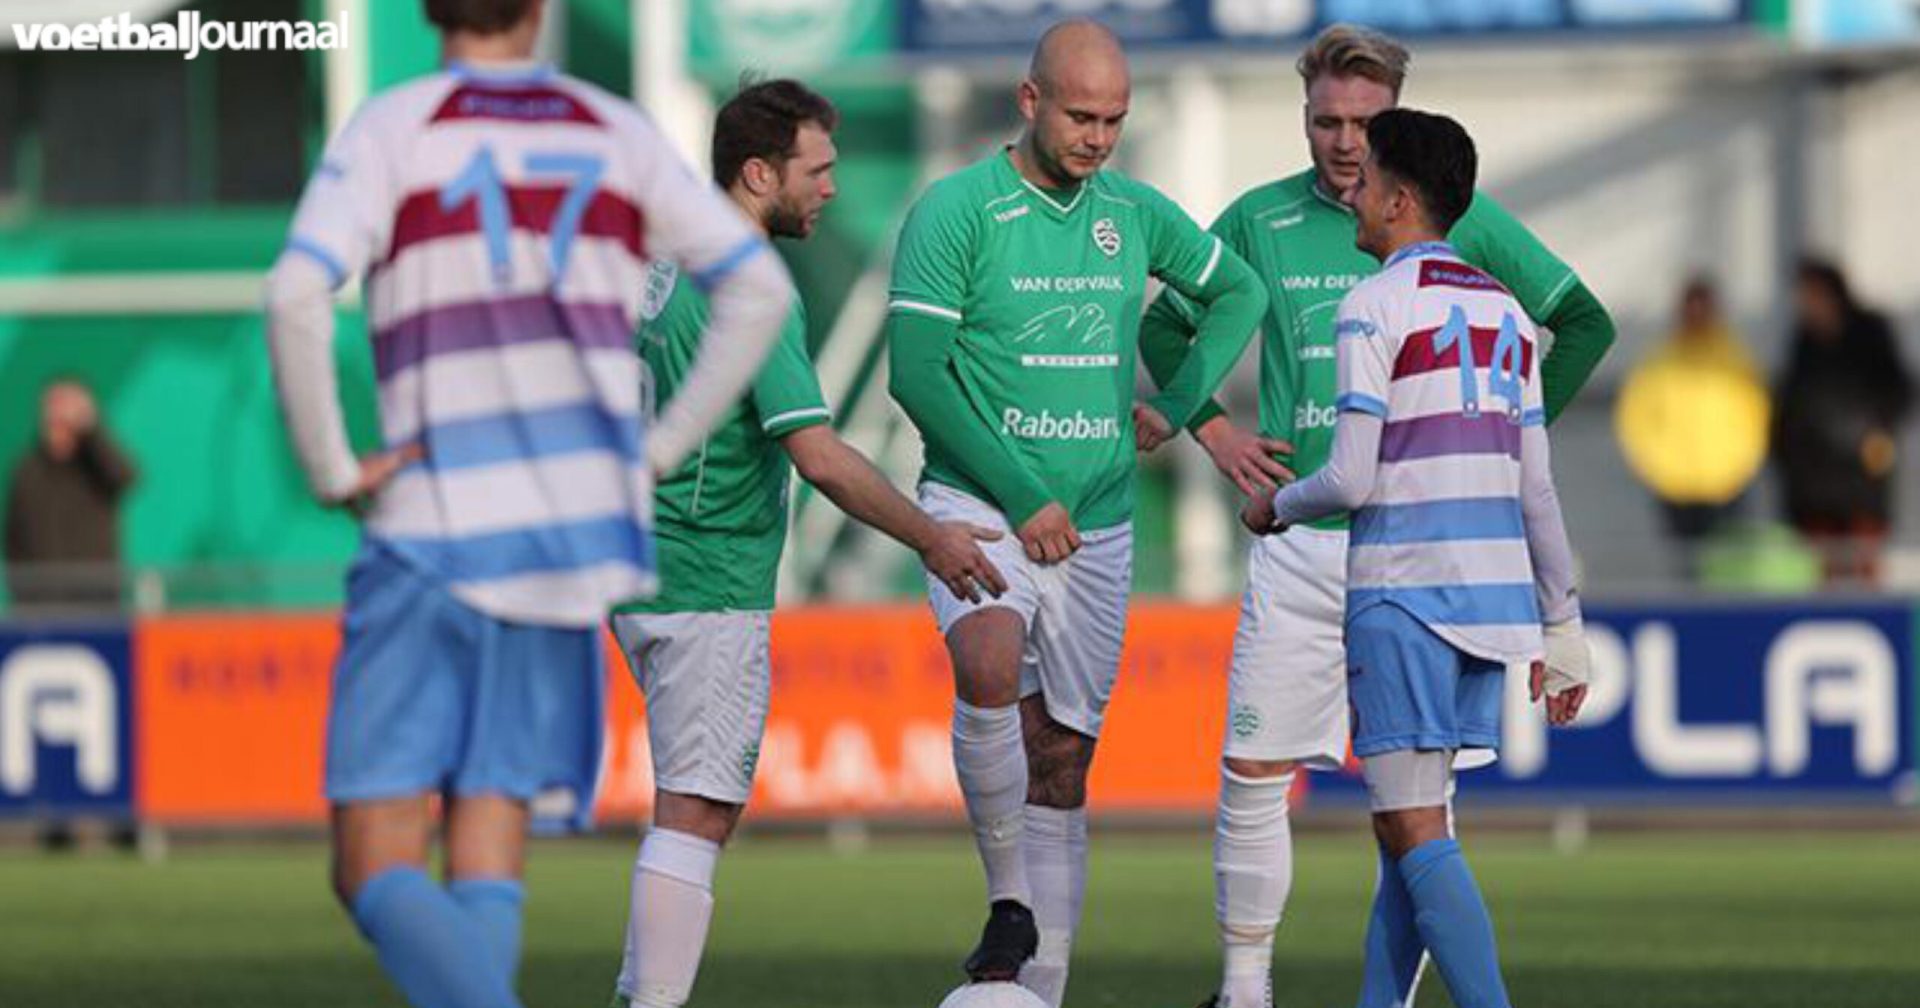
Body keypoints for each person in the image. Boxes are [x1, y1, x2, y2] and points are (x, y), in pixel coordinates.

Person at [261, 1, 793, 1006]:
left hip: (434, 532)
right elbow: (755, 290)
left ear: (427, 10)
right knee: (485, 857)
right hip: (562, 550)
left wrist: (334, 468)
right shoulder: (612, 128)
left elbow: (293, 295)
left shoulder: (397, 125)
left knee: (370, 864)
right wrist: (660, 447)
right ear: (541, 11)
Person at [1136, 24, 1615, 1008]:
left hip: (1391, 549)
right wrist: (1211, 428)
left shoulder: (1446, 224)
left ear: (1393, 130)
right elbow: (1163, 321)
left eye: (1363, 122)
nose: (1343, 142)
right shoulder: (1259, 221)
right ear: (1303, 116)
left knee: (1411, 820)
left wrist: (1463, 449)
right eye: (1325, 121)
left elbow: (1587, 324)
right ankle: (1245, 991)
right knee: (1263, 767)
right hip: (1321, 555)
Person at [885, 18, 1268, 1005]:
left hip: (1096, 522)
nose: (1100, 137)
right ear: (1029, 101)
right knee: (986, 659)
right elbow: (919, 379)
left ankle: (1036, 989)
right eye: (1082, 116)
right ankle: (1008, 901)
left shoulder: (1133, 211)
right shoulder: (957, 209)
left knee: (1063, 760)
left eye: (1115, 120)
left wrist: (1180, 408)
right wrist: (1022, 495)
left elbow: (1241, 295)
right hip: (981, 499)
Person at [604, 78, 1007, 1008]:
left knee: (694, 801)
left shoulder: (663, 258)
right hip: (706, 574)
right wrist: (932, 536)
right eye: (816, 169)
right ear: (758, 173)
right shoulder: (750, 288)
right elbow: (818, 453)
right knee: (698, 808)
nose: (830, 187)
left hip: (642, 561)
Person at [1242, 108, 1589, 1008]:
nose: (1348, 188)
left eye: (1366, 180)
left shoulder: (1374, 305)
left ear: (1399, 200)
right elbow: (1536, 488)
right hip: (1491, 606)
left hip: (1402, 596)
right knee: (1405, 832)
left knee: (1410, 827)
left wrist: (1273, 506)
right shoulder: (1508, 315)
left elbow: (1352, 477)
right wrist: (1565, 624)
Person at [1772, 257, 1914, 585]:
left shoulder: (1870, 333)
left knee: (1864, 571)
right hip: (1813, 491)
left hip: (1861, 485)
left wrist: (1868, 430)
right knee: (1820, 579)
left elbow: (1897, 393)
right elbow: (1791, 408)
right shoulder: (1804, 342)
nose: (1805, 303)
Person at [1615, 276, 1768, 575]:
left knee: (1727, 567)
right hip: (1675, 486)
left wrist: (1740, 466)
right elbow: (1636, 418)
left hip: (1726, 484)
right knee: (1684, 568)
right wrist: (1657, 467)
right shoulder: (1660, 360)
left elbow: (1755, 417)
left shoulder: (1734, 358)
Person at [5, 379, 138, 613]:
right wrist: (23, 591)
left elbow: (126, 477)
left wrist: (90, 429)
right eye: (54, 405)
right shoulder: (27, 470)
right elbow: (12, 536)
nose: (60, 416)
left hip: (96, 603)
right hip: (39, 607)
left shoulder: (97, 464)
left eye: (68, 406)